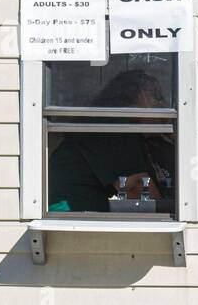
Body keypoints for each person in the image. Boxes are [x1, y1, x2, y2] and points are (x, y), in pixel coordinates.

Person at [47, 69, 175, 213]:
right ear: (132, 104)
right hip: (72, 219)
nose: (164, 104)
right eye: (157, 97)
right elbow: (137, 188)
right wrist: (171, 214)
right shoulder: (113, 131)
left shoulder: (148, 140)